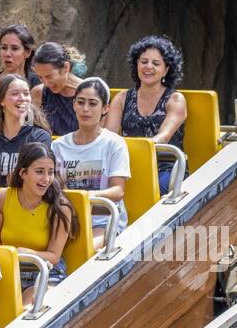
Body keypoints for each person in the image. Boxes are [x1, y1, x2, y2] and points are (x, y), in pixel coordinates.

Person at [0, 141, 79, 306]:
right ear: (23, 173)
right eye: (39, 172)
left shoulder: (60, 207)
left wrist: (25, 252)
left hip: (44, 272)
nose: (46, 179)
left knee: (29, 309)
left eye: (50, 172)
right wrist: (9, 255)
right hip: (9, 269)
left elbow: (54, 257)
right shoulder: (1, 199)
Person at [52, 77, 130, 248]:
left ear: (105, 108)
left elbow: (118, 191)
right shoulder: (58, 146)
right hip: (66, 219)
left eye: (93, 103)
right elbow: (53, 186)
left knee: (86, 249)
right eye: (80, 102)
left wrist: (84, 197)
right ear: (74, 105)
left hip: (102, 221)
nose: (85, 109)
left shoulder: (114, 143)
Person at [106, 34, 187, 192]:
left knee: (154, 191)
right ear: (136, 65)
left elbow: (163, 137)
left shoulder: (175, 99)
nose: (148, 66)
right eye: (144, 62)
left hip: (165, 167)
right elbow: (109, 135)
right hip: (126, 167)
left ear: (166, 70)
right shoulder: (122, 98)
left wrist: (138, 148)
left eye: (155, 63)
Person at [0, 73, 52, 181]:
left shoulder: (39, 137)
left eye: (26, 94)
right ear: (2, 101)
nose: (22, 98)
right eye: (15, 93)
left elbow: (38, 178)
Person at [29, 42, 86, 136]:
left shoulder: (88, 92)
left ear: (66, 67)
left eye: (49, 76)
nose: (46, 83)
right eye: (40, 77)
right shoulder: (38, 93)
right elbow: (27, 129)